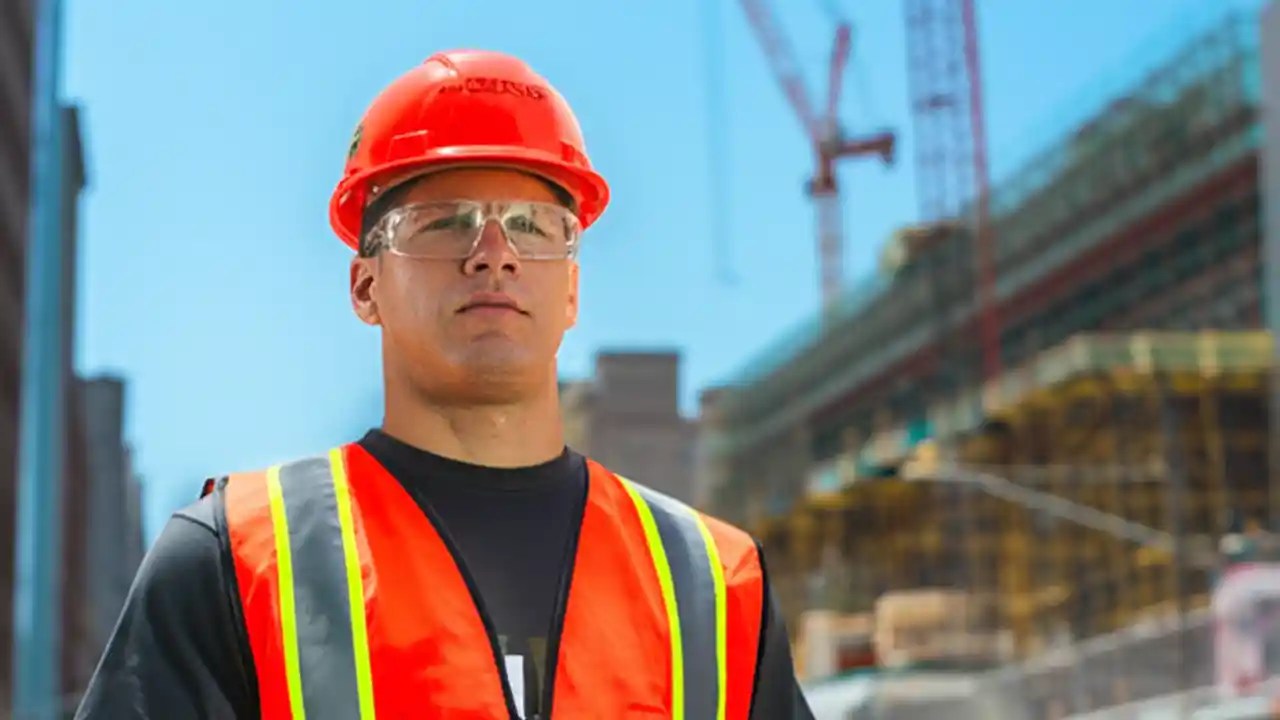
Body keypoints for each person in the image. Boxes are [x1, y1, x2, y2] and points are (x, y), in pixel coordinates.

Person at [76, 49, 814, 719]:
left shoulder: (716, 590)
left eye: (532, 226)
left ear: (571, 290)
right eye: (444, 223)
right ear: (365, 286)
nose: (493, 254)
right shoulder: (232, 563)